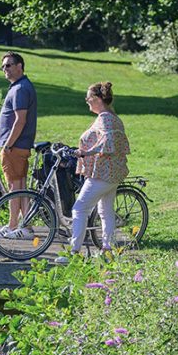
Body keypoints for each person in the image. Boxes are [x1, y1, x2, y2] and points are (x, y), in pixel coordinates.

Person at [67, 81, 130, 255]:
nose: (86, 100)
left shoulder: (105, 119)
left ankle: (74, 251)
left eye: (88, 97)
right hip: (112, 174)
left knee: (80, 209)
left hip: (103, 174)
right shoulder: (113, 117)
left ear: (97, 99)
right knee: (105, 210)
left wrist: (85, 152)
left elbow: (108, 143)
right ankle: (107, 248)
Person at [0, 51, 38, 239]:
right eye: (3, 66)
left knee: (14, 187)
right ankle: (23, 225)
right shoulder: (21, 86)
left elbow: (20, 120)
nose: (5, 69)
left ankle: (15, 226)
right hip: (19, 145)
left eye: (8, 65)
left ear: (19, 66)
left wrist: (8, 145)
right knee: (20, 187)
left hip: (15, 146)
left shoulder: (20, 89)